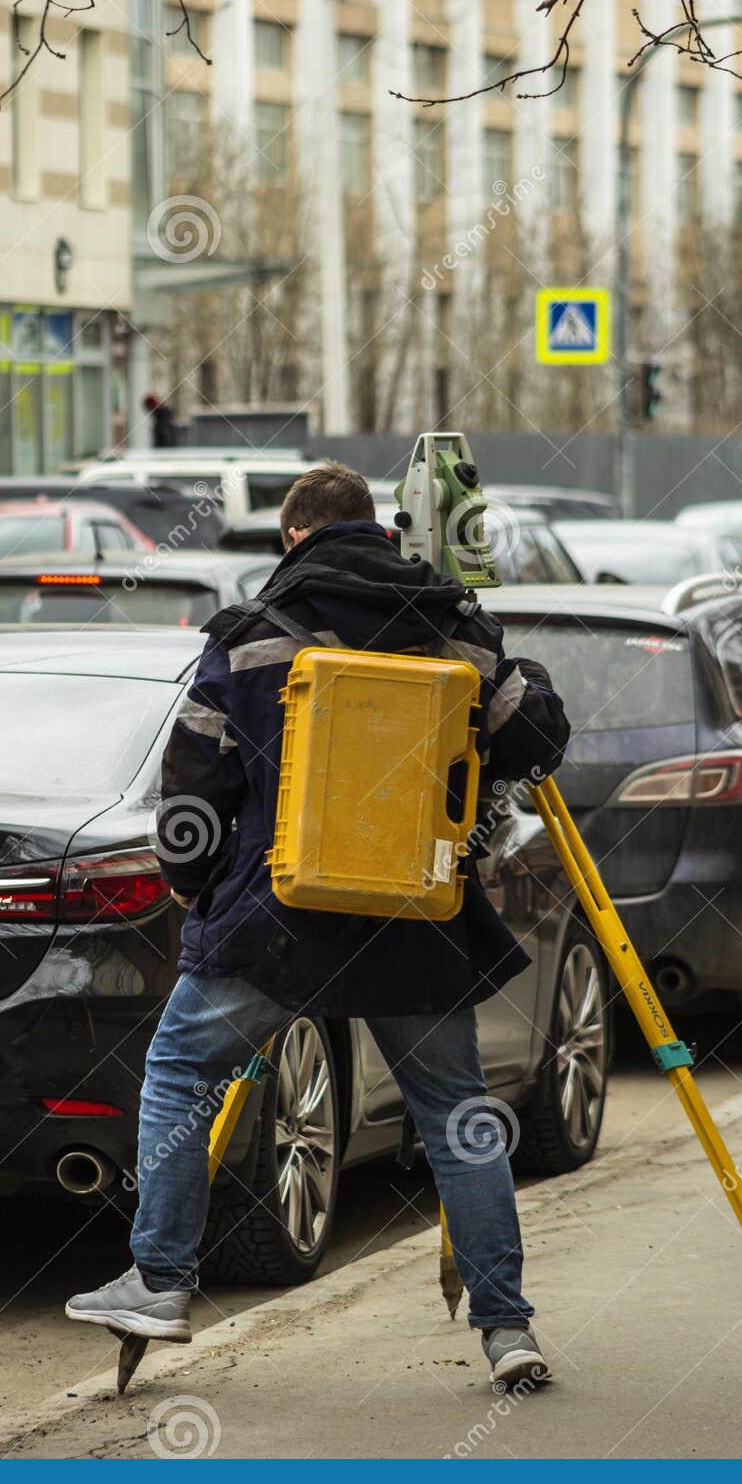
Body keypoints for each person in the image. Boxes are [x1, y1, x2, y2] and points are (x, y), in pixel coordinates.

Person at [67, 463, 570, 1390]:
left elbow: (193, 785)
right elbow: (534, 743)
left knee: (180, 1072)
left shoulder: (251, 636)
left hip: (278, 917)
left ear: (292, 537)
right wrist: (521, 672)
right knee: (457, 1114)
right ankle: (507, 1330)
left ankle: (162, 1282)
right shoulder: (454, 627)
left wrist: (193, 887)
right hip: (415, 915)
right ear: (377, 529)